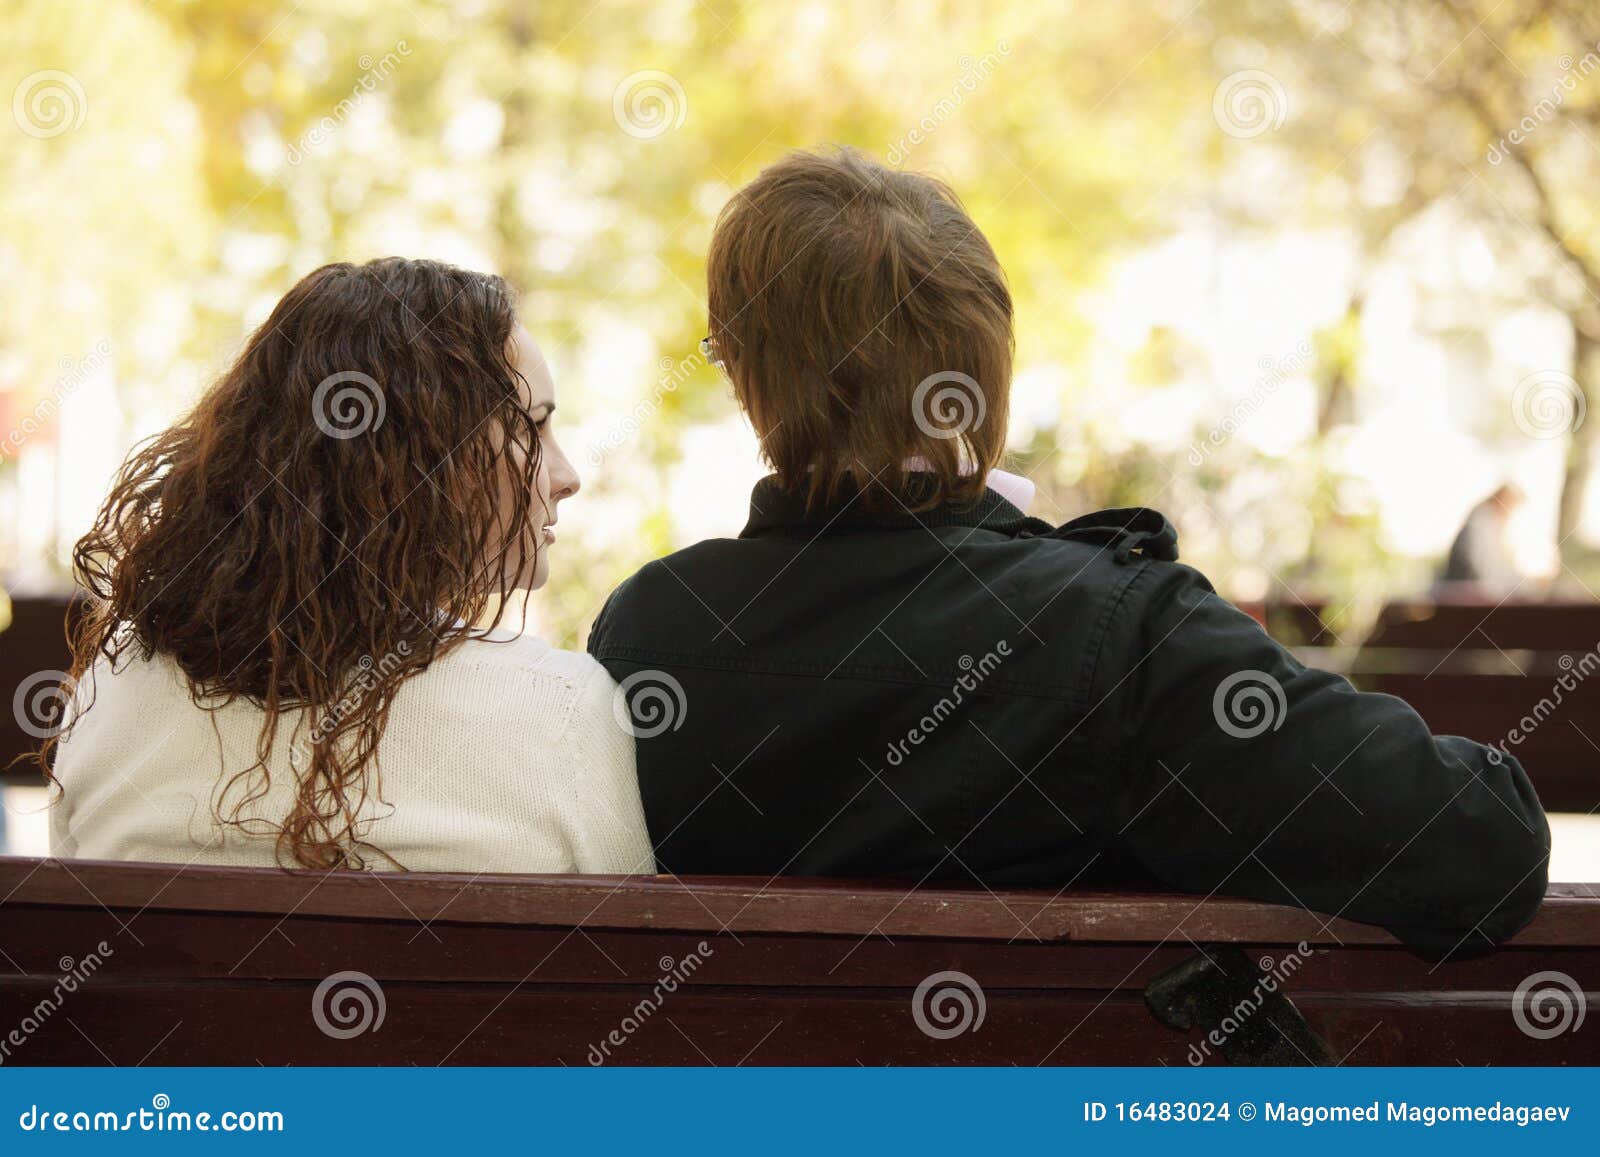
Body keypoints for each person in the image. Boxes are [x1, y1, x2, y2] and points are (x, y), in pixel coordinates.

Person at [589, 147, 1549, 956]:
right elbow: (1481, 845)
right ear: (987, 369)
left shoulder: (648, 633)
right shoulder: (1119, 634)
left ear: (748, 379)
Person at [46, 258, 651, 874]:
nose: (566, 476)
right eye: (534, 428)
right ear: (432, 458)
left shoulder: (109, 696)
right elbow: (626, 946)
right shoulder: (562, 710)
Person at [1435, 482, 1525, 600]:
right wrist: (1525, 588)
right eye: (1511, 508)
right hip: (1462, 598)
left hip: (1467, 595)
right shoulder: (1482, 521)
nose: (1509, 515)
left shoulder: (1487, 522)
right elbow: (1492, 572)